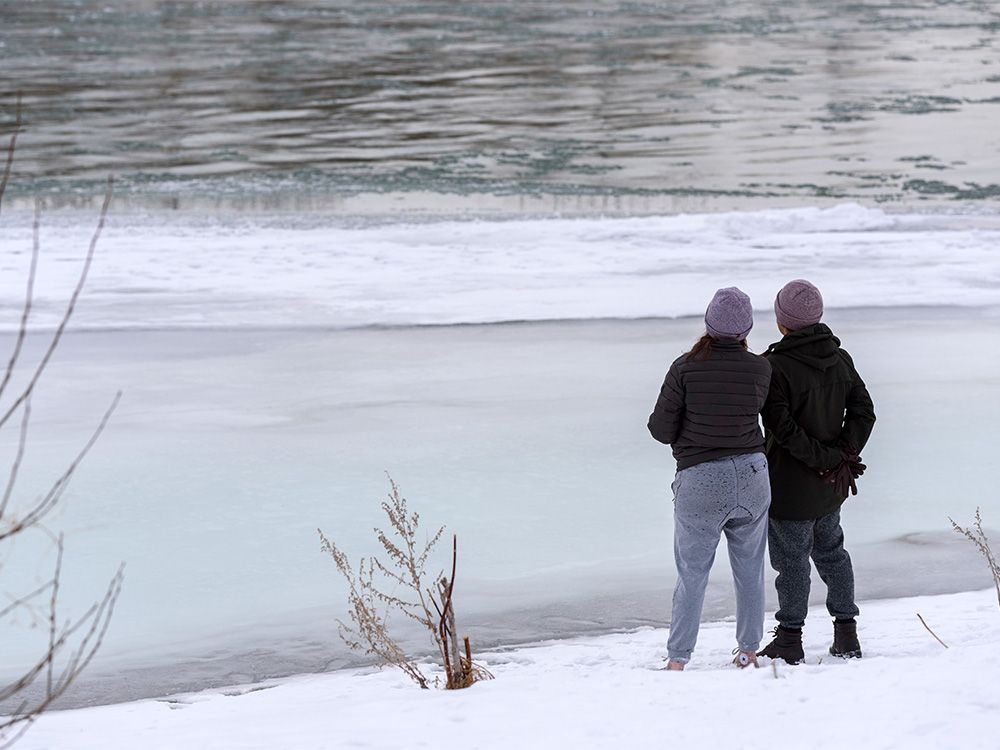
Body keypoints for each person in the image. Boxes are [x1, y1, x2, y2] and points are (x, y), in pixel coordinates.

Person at [648, 287, 772, 670]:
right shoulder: (761, 368)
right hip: (752, 474)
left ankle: (678, 658)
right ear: (746, 329)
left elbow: (660, 429)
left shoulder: (684, 367)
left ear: (708, 323)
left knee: (692, 573)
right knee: (750, 570)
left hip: (701, 479)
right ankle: (749, 650)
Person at [756, 279, 876, 664]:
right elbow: (864, 412)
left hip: (791, 487)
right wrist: (842, 455)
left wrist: (829, 458)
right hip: (831, 485)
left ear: (782, 322)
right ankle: (847, 634)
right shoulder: (840, 358)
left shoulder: (773, 366)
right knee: (832, 553)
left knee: (792, 563)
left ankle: (790, 639)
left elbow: (781, 428)